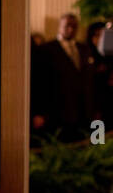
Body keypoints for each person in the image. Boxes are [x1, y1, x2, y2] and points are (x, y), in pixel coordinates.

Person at [35, 12, 95, 141]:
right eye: (67, 26)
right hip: (57, 112)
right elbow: (39, 82)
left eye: (74, 26)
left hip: (82, 112)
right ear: (60, 26)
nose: (71, 29)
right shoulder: (46, 49)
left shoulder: (84, 49)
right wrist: (39, 112)